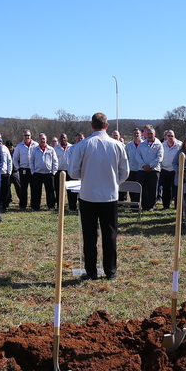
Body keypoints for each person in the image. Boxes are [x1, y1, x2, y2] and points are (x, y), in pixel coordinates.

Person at [68, 112, 129, 281]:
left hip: (88, 195)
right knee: (110, 235)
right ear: (106, 126)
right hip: (110, 196)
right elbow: (125, 172)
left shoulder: (83, 145)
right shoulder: (117, 145)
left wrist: (86, 175)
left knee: (89, 236)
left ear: (91, 125)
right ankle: (110, 271)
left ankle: (91, 271)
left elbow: (73, 172)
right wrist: (114, 182)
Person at [137, 125, 164, 211]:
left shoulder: (159, 145)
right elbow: (138, 156)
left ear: (154, 134)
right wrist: (144, 165)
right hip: (142, 170)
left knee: (153, 189)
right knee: (143, 189)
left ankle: (151, 206)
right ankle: (144, 206)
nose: (149, 135)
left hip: (154, 170)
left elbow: (159, 157)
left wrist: (150, 166)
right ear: (145, 134)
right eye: (148, 133)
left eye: (151, 133)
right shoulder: (141, 145)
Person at [29, 133, 58, 210]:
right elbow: (31, 161)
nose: (42, 140)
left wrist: (53, 172)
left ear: (46, 139)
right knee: (36, 191)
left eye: (43, 139)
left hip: (49, 173)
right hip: (37, 173)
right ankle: (35, 206)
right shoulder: (35, 149)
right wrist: (33, 172)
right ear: (38, 140)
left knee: (50, 191)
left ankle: (51, 206)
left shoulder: (51, 149)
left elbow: (55, 161)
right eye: (41, 139)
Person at [12, 129, 36, 209]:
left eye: (28, 135)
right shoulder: (19, 146)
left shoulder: (36, 145)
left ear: (31, 136)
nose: (27, 137)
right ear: (23, 136)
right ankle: (23, 205)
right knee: (23, 188)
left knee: (34, 188)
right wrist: (18, 168)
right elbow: (15, 158)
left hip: (34, 170)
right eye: (25, 135)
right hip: (23, 169)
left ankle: (34, 205)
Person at [54, 133, 77, 211]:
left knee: (71, 190)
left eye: (64, 138)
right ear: (59, 139)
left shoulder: (72, 147)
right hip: (59, 171)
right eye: (61, 138)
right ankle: (59, 206)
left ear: (67, 138)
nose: (63, 139)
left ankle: (72, 206)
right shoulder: (55, 148)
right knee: (59, 189)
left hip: (69, 171)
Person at [159, 130, 180, 209]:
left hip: (175, 170)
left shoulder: (179, 145)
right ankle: (166, 206)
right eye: (168, 136)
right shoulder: (162, 145)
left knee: (176, 189)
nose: (170, 137)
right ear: (166, 137)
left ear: (174, 136)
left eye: (172, 136)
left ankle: (177, 206)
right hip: (165, 169)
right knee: (166, 189)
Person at [124, 127, 144, 203]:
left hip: (141, 170)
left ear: (141, 134)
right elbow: (126, 158)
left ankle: (139, 203)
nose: (136, 135)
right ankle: (133, 204)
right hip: (131, 170)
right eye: (134, 133)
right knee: (132, 188)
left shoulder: (144, 144)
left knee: (140, 188)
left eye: (137, 133)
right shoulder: (128, 145)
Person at [0, 137, 13, 212]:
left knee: (6, 190)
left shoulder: (5, 150)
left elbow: (9, 161)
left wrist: (9, 172)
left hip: (5, 173)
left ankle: (5, 205)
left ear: (2, 144)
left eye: (0, 143)